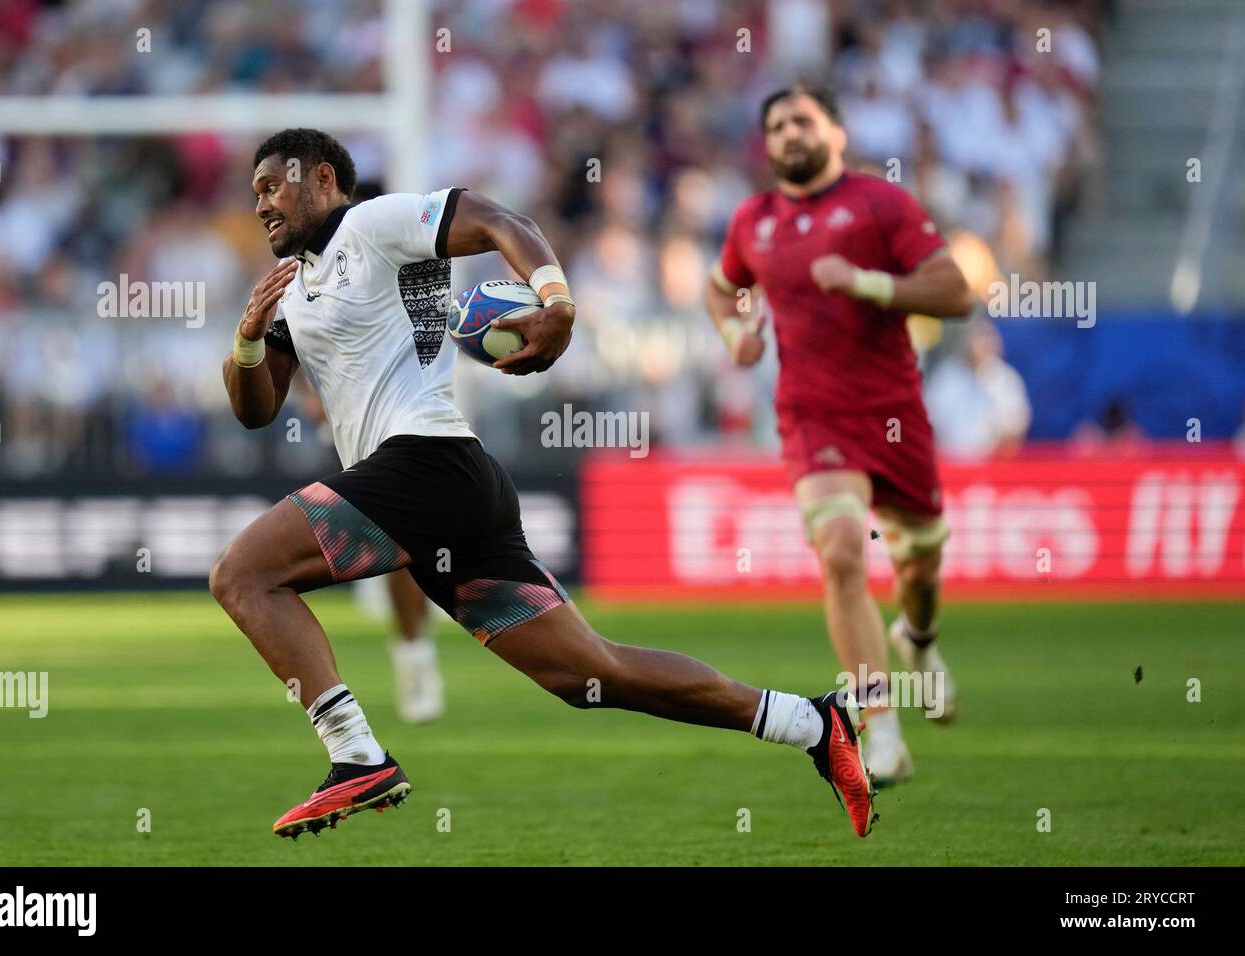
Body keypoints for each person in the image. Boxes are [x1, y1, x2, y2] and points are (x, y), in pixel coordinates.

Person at [211, 127, 877, 839]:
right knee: (590, 675)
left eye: (271, 186)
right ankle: (810, 722)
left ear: (320, 179)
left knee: (243, 576)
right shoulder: (293, 288)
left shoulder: (373, 223)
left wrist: (556, 303)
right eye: (253, 193)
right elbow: (256, 411)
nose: (260, 205)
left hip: (424, 463)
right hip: (451, 487)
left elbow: (505, 222)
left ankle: (356, 754)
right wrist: (249, 338)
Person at [706, 87, 975, 785]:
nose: (788, 133)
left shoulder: (885, 205)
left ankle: (917, 638)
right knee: (844, 552)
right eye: (775, 126)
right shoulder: (753, 221)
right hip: (812, 417)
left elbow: (956, 293)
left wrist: (866, 282)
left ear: (837, 132)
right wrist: (736, 331)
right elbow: (718, 287)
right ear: (765, 146)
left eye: (802, 120)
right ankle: (879, 729)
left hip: (895, 415)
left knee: (919, 564)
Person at [925, 318, 1031, 460]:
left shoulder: (1005, 379)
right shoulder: (946, 377)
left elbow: (1016, 429)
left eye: (986, 338)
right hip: (949, 468)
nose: (980, 345)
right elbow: (928, 425)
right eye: (976, 338)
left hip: (992, 470)